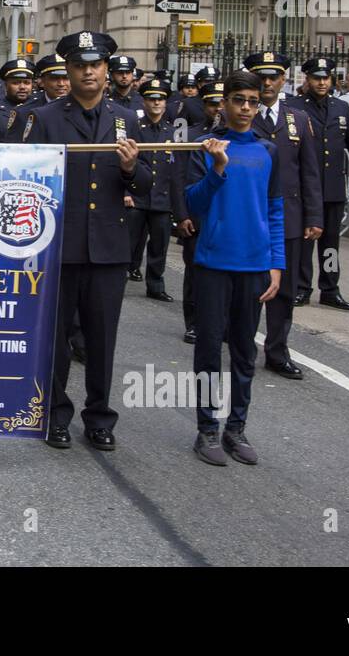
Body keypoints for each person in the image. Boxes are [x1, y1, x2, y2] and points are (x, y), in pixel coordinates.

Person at [24, 31, 149, 452]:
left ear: (106, 70)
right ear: (69, 70)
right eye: (80, 65)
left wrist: (131, 169)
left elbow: (149, 182)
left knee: (101, 340)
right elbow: (25, 180)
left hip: (109, 248)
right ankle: (54, 414)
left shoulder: (126, 118)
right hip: (61, 245)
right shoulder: (46, 118)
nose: (88, 72)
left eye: (95, 65)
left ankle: (99, 417)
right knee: (56, 339)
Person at [181, 70, 284, 466]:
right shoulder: (204, 146)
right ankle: (206, 429)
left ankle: (235, 429)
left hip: (254, 264)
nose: (245, 109)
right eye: (238, 100)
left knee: (244, 351)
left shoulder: (268, 150)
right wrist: (218, 167)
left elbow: (276, 209)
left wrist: (277, 263)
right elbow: (194, 203)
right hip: (211, 263)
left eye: (252, 102)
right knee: (209, 348)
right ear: (224, 103)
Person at [246, 51, 322, 380]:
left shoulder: (298, 119)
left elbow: (310, 173)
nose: (267, 83)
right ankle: (243, 347)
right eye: (261, 77)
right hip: (249, 214)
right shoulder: (241, 114)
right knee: (248, 287)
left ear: (282, 80)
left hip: (288, 217)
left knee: (285, 290)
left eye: (273, 77)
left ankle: (277, 351)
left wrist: (314, 217)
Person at [293, 56, 349, 309]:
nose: (322, 83)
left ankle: (330, 288)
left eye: (326, 78)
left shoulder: (341, 107)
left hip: (333, 188)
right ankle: (302, 286)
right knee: (305, 242)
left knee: (331, 244)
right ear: (308, 79)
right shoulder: (296, 106)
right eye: (317, 78)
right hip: (306, 188)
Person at [170, 81, 225, 344]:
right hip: (197, 217)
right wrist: (181, 215)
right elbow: (178, 178)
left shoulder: (237, 137)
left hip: (225, 219)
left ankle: (222, 323)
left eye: (221, 103)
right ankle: (193, 323)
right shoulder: (190, 136)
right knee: (195, 274)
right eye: (213, 103)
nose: (217, 109)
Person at [124, 77, 175, 299]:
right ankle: (121, 278)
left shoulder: (171, 131)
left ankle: (156, 285)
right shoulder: (135, 128)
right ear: (144, 102)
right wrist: (126, 193)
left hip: (162, 198)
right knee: (129, 243)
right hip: (137, 197)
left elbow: (176, 169)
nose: (156, 103)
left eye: (160, 99)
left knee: (159, 246)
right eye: (151, 99)